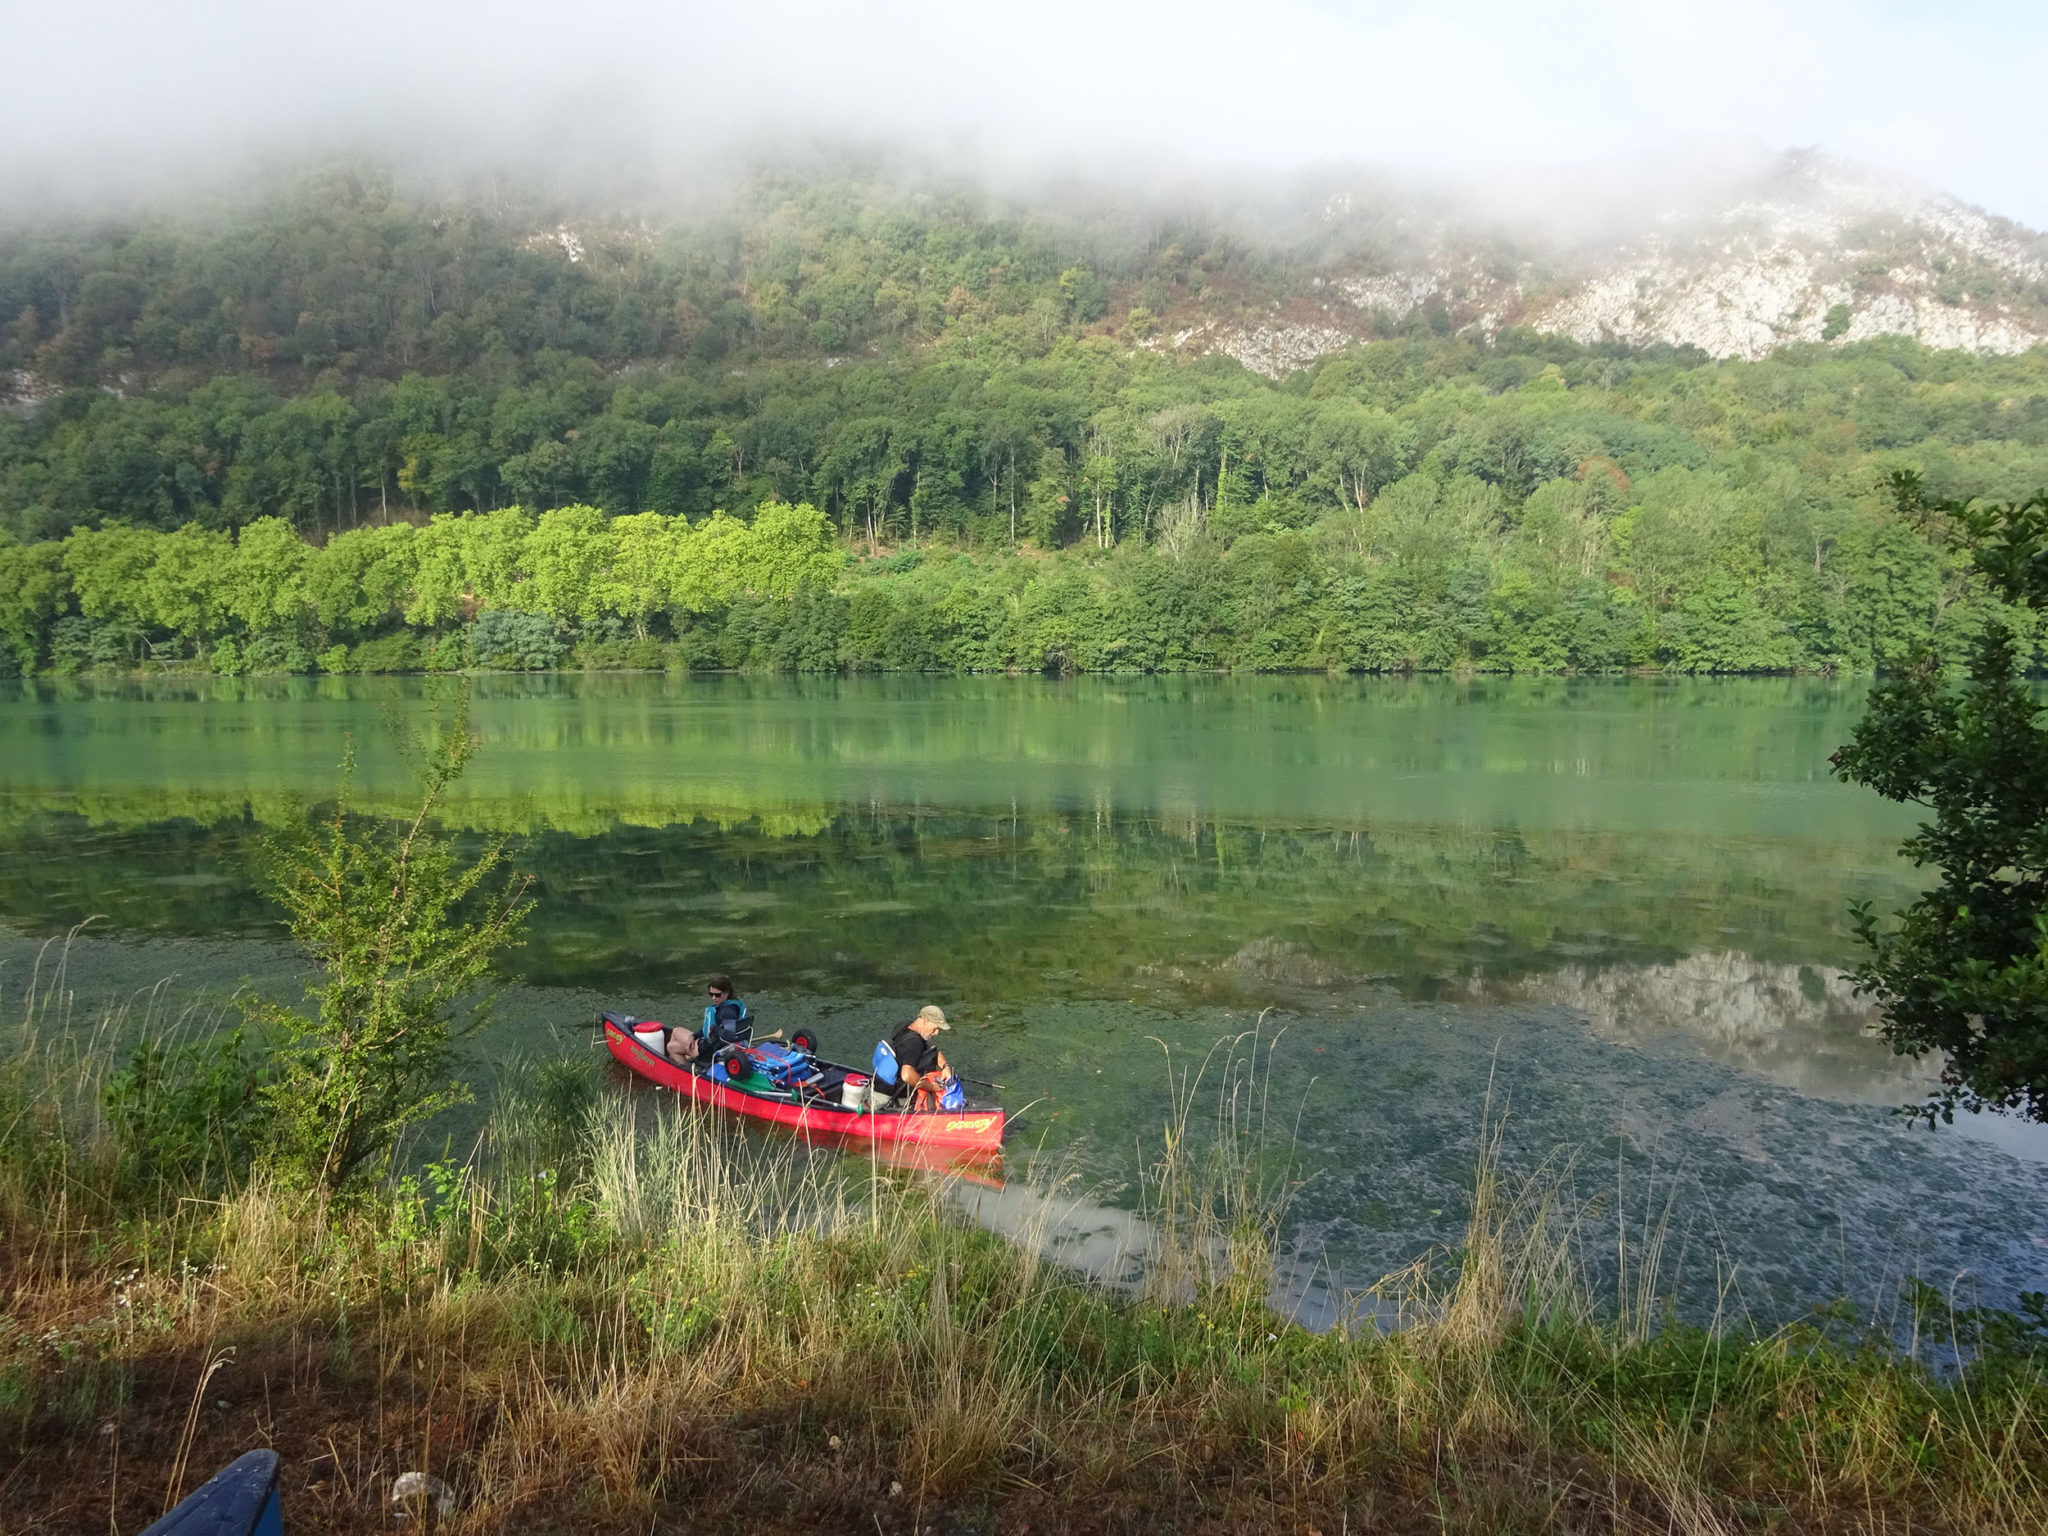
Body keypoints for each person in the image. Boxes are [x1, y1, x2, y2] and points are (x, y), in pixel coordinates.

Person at [666, 974, 752, 1067]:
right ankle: (683, 1067)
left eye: (717, 995)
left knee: (674, 1037)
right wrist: (694, 1036)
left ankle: (685, 1072)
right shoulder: (732, 1005)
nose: (713, 998)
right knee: (672, 1044)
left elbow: (731, 1036)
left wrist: (714, 1028)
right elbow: (712, 1028)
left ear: (727, 993)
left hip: (709, 1051)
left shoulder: (727, 1012)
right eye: (711, 994)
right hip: (714, 1045)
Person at [885, 1004, 955, 1110]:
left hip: (884, 1085)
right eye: (935, 1028)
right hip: (898, 1097)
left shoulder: (904, 1026)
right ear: (925, 1020)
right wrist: (931, 1087)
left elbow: (932, 1050)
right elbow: (907, 1075)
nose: (937, 1033)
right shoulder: (914, 1043)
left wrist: (946, 1066)